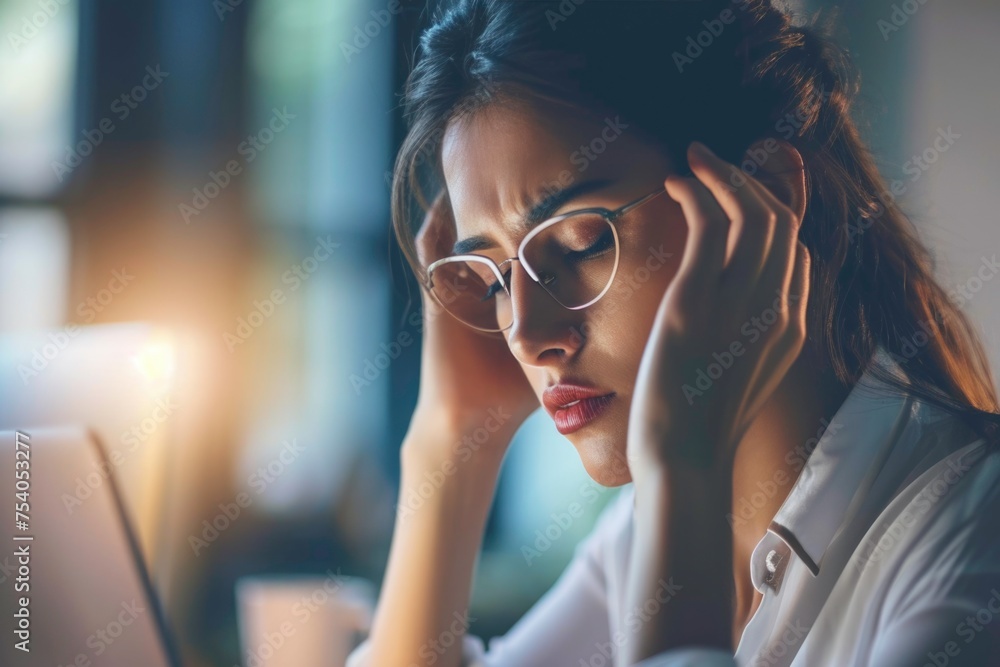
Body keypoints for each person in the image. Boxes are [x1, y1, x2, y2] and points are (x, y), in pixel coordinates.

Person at [349, 1, 1000, 664]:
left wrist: (684, 465)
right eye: (493, 281)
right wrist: (455, 430)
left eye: (580, 243)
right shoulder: (637, 538)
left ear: (765, 197)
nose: (524, 332)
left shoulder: (971, 539)